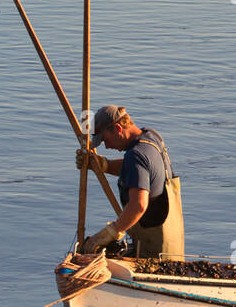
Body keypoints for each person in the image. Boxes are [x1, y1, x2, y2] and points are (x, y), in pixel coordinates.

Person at [77, 105, 184, 259]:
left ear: (118, 129)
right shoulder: (151, 137)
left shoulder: (135, 156)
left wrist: (112, 232)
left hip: (151, 254)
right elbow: (140, 169)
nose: (107, 146)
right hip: (172, 249)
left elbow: (138, 205)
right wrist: (104, 165)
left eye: (105, 139)